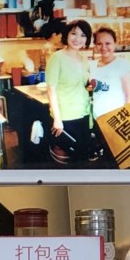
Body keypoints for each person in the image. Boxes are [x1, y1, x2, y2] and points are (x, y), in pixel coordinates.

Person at [44, 19, 96, 159]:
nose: (78, 39)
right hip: (65, 117)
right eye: (74, 33)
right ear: (66, 35)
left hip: (84, 114)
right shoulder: (57, 58)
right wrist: (57, 119)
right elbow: (51, 90)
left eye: (83, 35)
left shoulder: (83, 59)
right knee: (69, 160)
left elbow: (83, 85)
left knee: (83, 157)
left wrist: (90, 85)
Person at [88, 26, 130, 119]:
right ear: (95, 45)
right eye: (99, 43)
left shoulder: (123, 64)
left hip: (117, 118)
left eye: (108, 43)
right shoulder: (91, 65)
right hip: (96, 118)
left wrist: (126, 117)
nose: (103, 47)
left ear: (115, 43)